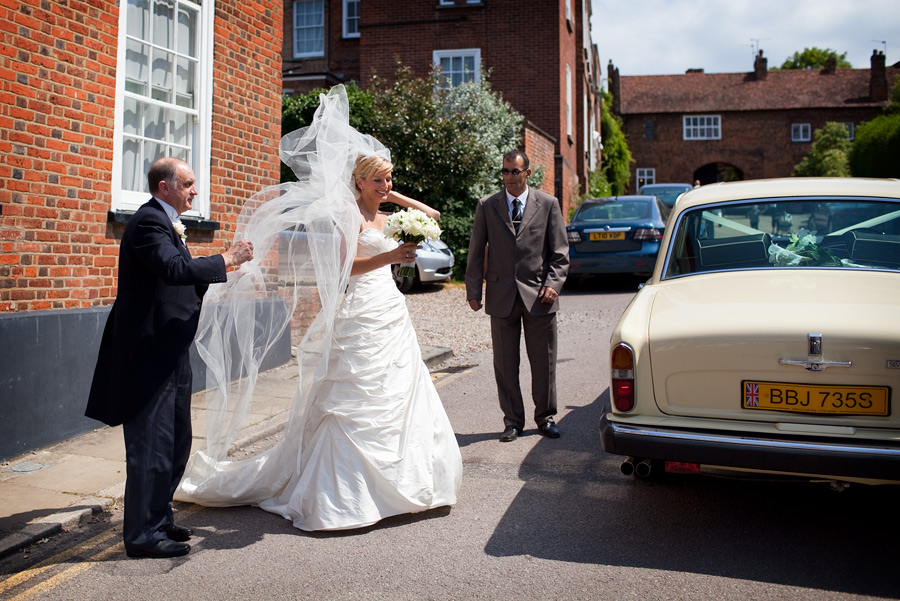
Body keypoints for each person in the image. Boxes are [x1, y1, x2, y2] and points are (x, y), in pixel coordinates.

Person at [173, 85, 462, 532]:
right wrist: (391, 256)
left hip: (389, 310)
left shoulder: (387, 215)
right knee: (350, 401)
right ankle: (342, 496)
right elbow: (347, 268)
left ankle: (407, 484)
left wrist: (396, 198)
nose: (386, 186)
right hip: (362, 304)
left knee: (400, 389)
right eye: (379, 180)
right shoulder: (348, 216)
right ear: (359, 181)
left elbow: (435, 215)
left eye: (390, 178)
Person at [85, 157, 254, 559]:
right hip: (147, 354)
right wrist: (228, 259)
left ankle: (159, 518)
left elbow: (174, 282)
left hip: (171, 349)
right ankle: (143, 536)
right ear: (165, 186)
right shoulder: (148, 222)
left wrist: (223, 274)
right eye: (189, 183)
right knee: (151, 446)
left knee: (176, 442)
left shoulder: (167, 223)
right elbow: (175, 270)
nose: (195, 190)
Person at [465, 150, 569, 442]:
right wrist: (473, 289)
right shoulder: (487, 206)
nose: (510, 177)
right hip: (501, 296)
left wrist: (553, 284)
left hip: (540, 296)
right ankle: (513, 421)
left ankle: (545, 418)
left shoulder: (548, 204)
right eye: (505, 171)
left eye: (515, 171)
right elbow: (475, 252)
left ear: (528, 173)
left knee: (544, 361)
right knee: (505, 364)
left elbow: (559, 253)